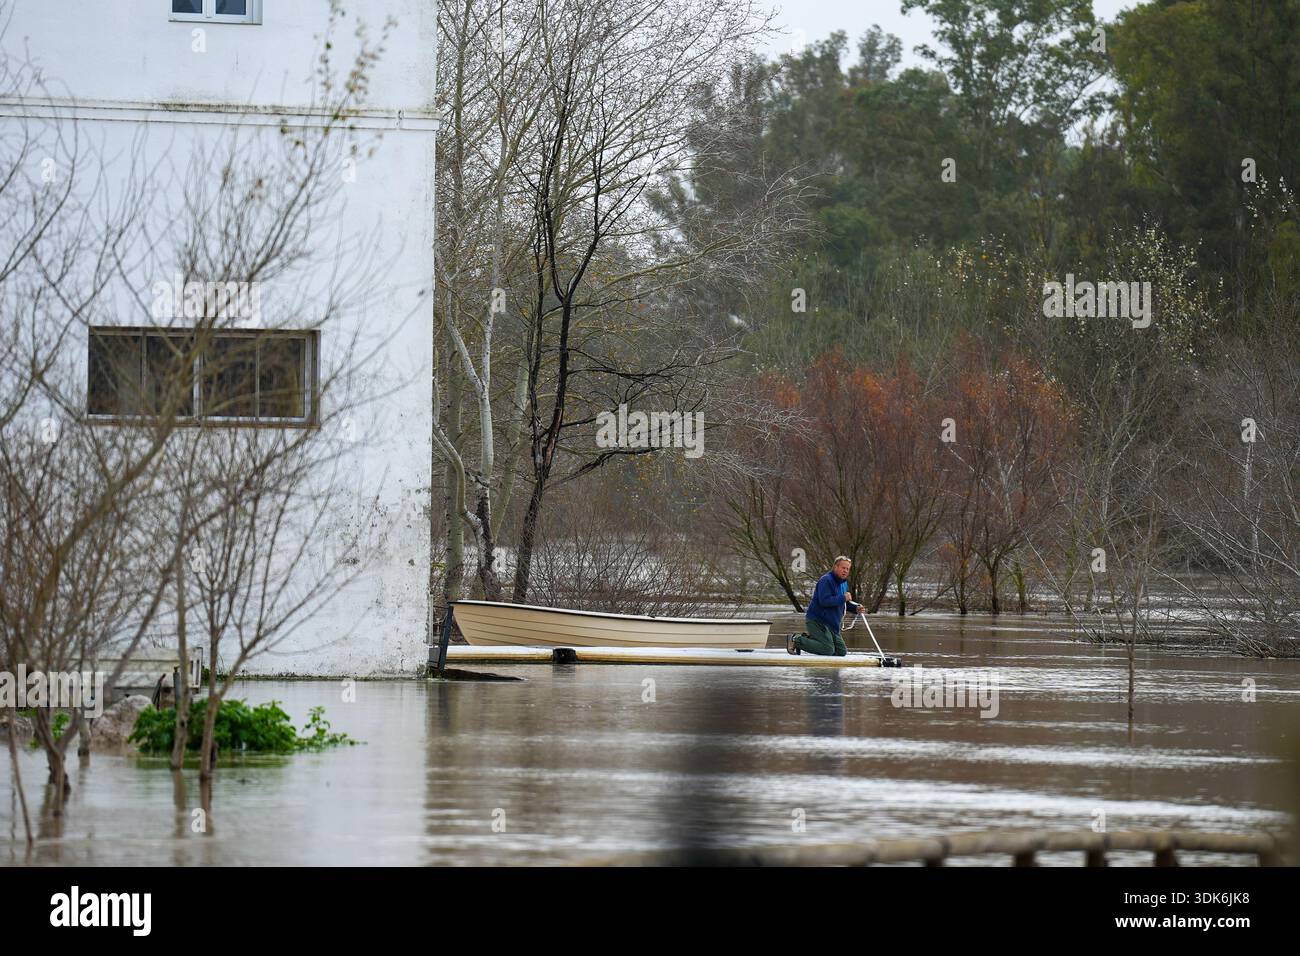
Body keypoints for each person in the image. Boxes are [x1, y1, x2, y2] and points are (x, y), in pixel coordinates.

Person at [787, 556, 864, 656]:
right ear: (835, 567)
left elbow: (843, 603)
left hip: (832, 625)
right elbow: (824, 601)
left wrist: (856, 608)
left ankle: (808, 640)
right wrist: (843, 598)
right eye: (843, 568)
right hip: (818, 621)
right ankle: (796, 639)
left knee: (841, 652)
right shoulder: (826, 580)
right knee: (828, 649)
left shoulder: (843, 583)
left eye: (847, 569)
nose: (845, 571)